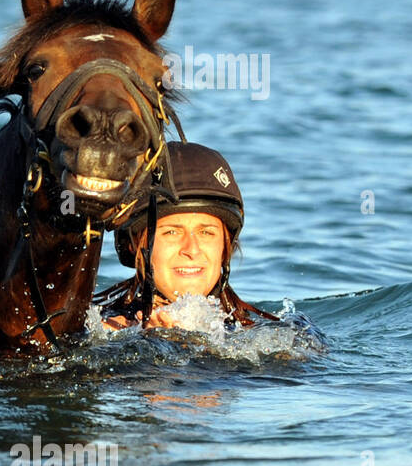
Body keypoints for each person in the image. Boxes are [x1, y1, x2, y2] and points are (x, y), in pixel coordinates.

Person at [95, 141, 277, 330]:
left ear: (225, 247)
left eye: (206, 232)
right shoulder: (97, 332)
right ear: (134, 245)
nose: (192, 250)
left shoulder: (277, 333)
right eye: (171, 232)